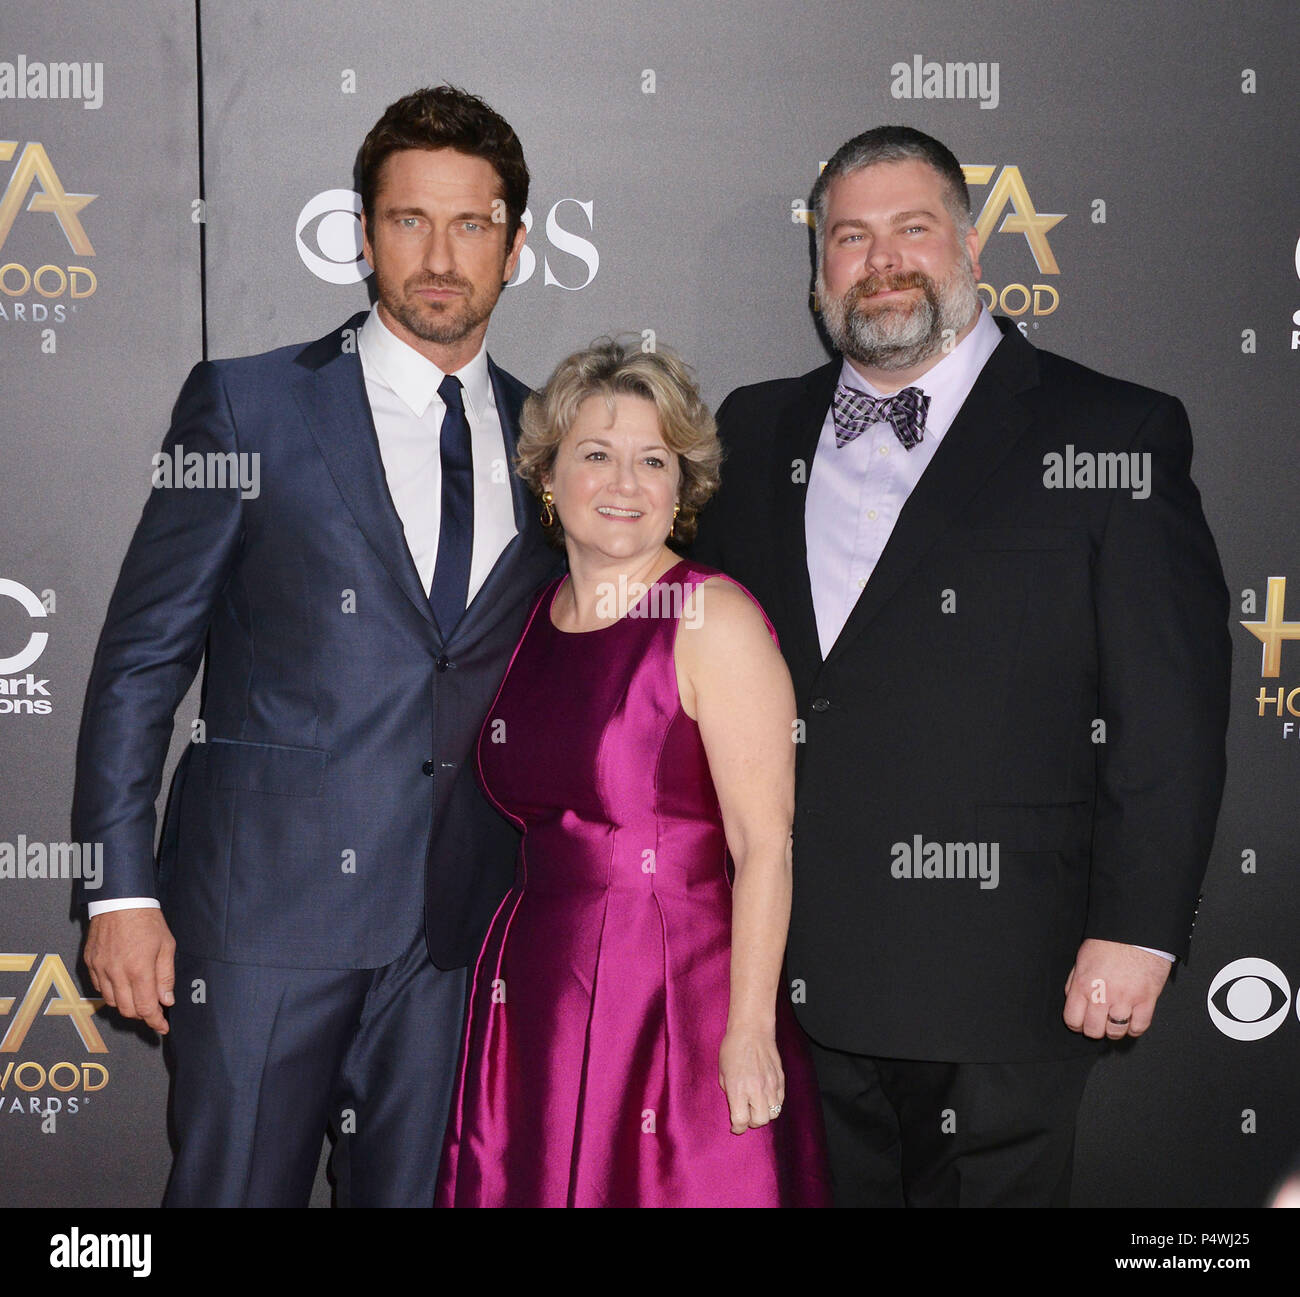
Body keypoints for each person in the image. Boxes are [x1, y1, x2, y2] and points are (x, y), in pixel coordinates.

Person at [692, 125, 1230, 1207]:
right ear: (817, 270)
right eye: (849, 237)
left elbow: (1167, 709)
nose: (880, 259)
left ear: (972, 246)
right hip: (790, 975)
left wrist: (1134, 927)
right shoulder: (751, 432)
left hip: (1007, 976)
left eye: (911, 228)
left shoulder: (1111, 429)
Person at [71, 86, 561, 1206]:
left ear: (516, 245)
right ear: (362, 234)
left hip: (458, 937)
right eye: (407, 220)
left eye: (472, 224)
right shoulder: (248, 408)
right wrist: (117, 889)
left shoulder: (554, 440)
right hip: (260, 929)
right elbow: (144, 655)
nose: (439, 255)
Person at [434, 339, 831, 1207]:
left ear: (682, 487)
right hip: (536, 981)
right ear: (547, 476)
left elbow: (765, 846)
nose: (626, 483)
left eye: (654, 460)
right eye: (597, 455)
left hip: (676, 990)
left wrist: (750, 1028)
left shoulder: (710, 616)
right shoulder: (532, 615)